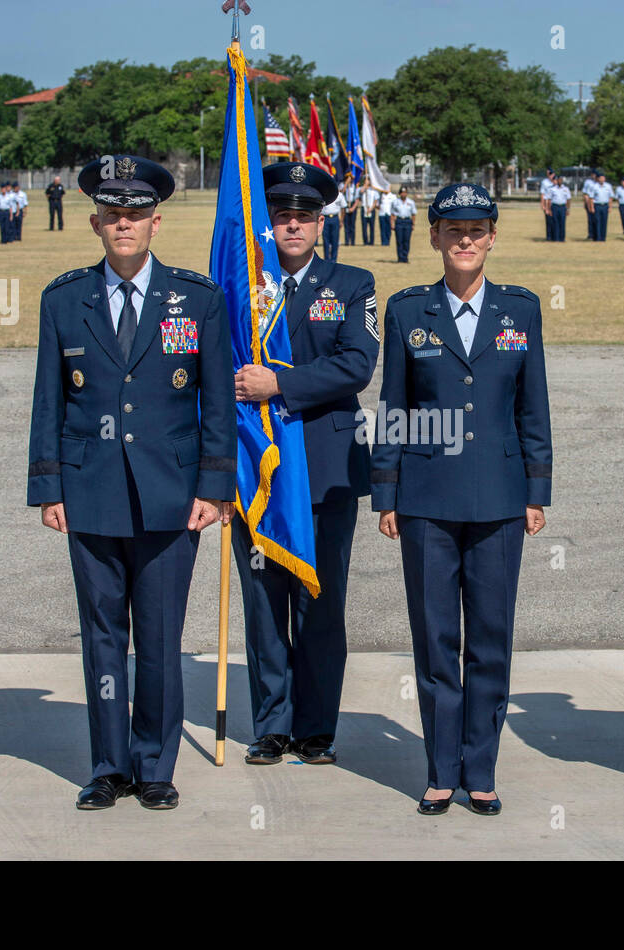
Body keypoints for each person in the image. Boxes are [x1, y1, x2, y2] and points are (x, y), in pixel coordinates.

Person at [26, 154, 236, 811]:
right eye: (113, 215)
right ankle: (108, 765)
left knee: (159, 636)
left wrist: (215, 487)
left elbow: (217, 406)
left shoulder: (197, 299)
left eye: (136, 215)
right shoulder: (65, 300)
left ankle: (154, 764)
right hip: (89, 491)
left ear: (156, 223)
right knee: (103, 636)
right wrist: (48, 486)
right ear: (94, 223)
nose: (125, 224)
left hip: (172, 495)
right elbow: (48, 401)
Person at [372, 183, 552, 817]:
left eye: (477, 230)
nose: (466, 240)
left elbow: (533, 408)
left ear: (493, 236)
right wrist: (386, 492)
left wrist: (536, 491)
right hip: (426, 499)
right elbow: (393, 407)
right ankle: (440, 768)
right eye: (453, 230)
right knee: (435, 638)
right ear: (434, 237)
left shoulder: (520, 310)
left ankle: (482, 768)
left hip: (501, 498)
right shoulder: (406, 311)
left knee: (491, 639)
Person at [230, 162, 379, 766]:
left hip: (324, 468)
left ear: (322, 222)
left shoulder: (351, 283)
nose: (293, 226)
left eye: (305, 216)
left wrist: (279, 384)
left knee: (321, 603)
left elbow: (357, 364)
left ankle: (315, 728)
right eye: (282, 216)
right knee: (263, 604)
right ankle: (271, 725)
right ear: (267, 224)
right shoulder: (242, 288)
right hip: (258, 470)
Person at [390, 185, 416, 263]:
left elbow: (413, 214)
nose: (403, 194)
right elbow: (392, 214)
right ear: (399, 193)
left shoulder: (411, 202)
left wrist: (413, 224)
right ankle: (400, 258)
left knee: (406, 241)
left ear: (407, 193)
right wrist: (392, 224)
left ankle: (405, 257)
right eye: (402, 193)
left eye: (405, 192)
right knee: (399, 241)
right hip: (399, 221)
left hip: (408, 222)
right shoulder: (395, 202)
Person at [320, 186, 345, 261]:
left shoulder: (339, 195)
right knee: (326, 240)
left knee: (335, 240)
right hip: (325, 218)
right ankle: (327, 260)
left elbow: (343, 207)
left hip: (335, 218)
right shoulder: (323, 195)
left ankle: (334, 260)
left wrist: (341, 220)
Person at [548, 175, 569, 242]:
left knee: (562, 223)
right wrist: (549, 209)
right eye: (558, 180)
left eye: (561, 180)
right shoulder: (553, 189)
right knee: (555, 223)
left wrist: (567, 209)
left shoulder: (566, 189)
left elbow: (568, 199)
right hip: (555, 207)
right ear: (557, 181)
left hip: (562, 207)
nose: (560, 181)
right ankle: (556, 238)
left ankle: (562, 238)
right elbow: (549, 200)